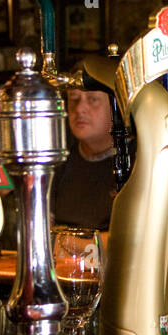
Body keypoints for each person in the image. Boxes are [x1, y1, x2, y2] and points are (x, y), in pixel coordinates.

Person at [51, 85, 119, 231]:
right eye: (74, 99)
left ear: (116, 107)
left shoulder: (137, 161)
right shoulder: (58, 162)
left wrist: (65, 242)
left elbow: (131, 242)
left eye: (93, 99)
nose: (80, 108)